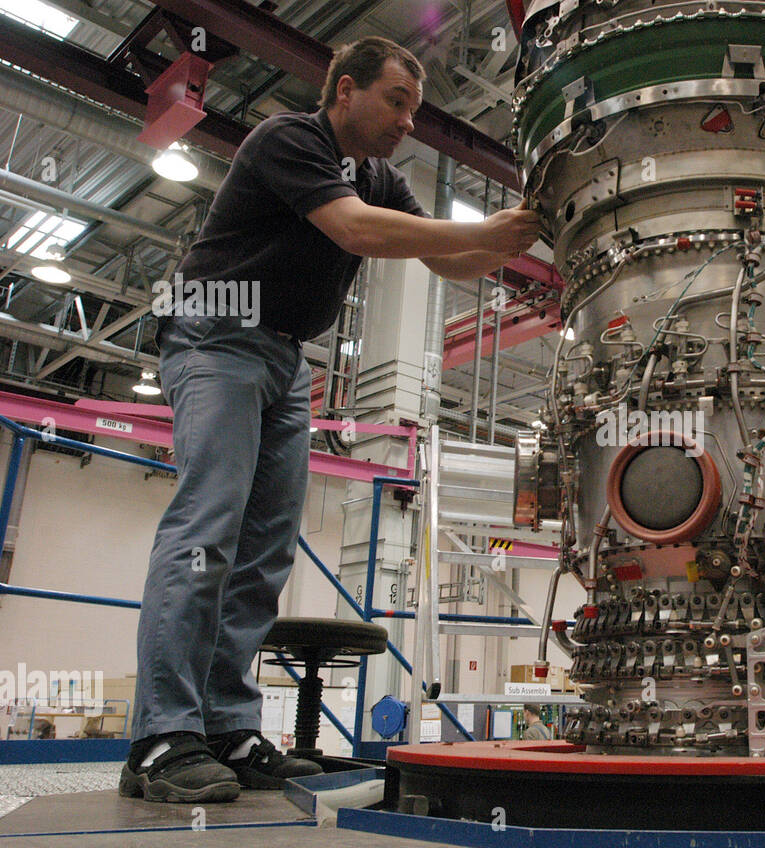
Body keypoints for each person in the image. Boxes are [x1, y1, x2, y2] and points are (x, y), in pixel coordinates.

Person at [121, 36, 540, 803]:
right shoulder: (291, 138)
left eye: (416, 109)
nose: (409, 122)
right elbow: (355, 231)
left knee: (263, 552)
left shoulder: (380, 176)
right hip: (216, 333)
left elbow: (443, 262)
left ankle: (226, 727)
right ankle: (160, 737)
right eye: (396, 102)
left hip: (283, 359)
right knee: (207, 531)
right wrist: (489, 230)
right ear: (344, 90)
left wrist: (519, 235)